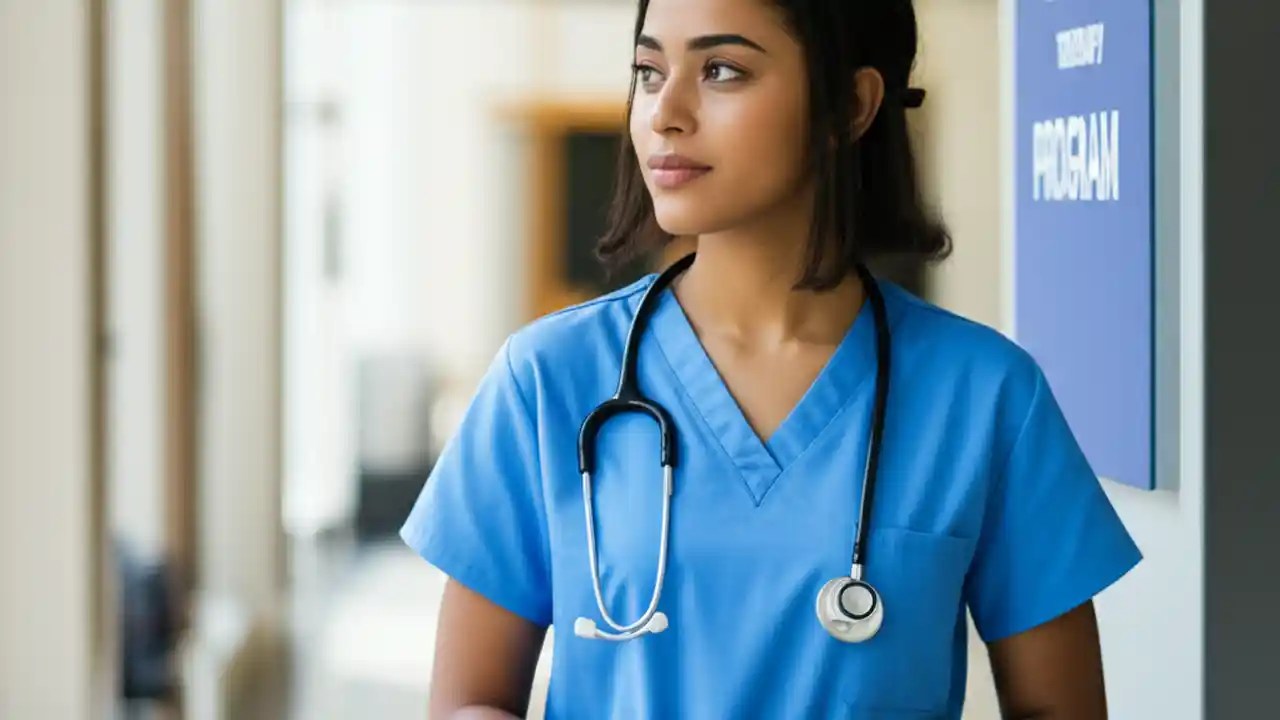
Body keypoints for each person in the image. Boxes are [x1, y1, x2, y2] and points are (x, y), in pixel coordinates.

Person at [400, 0, 1142, 717]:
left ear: (850, 105)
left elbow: (1060, 708)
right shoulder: (548, 379)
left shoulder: (985, 397)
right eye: (650, 72)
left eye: (722, 70)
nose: (666, 112)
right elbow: (471, 699)